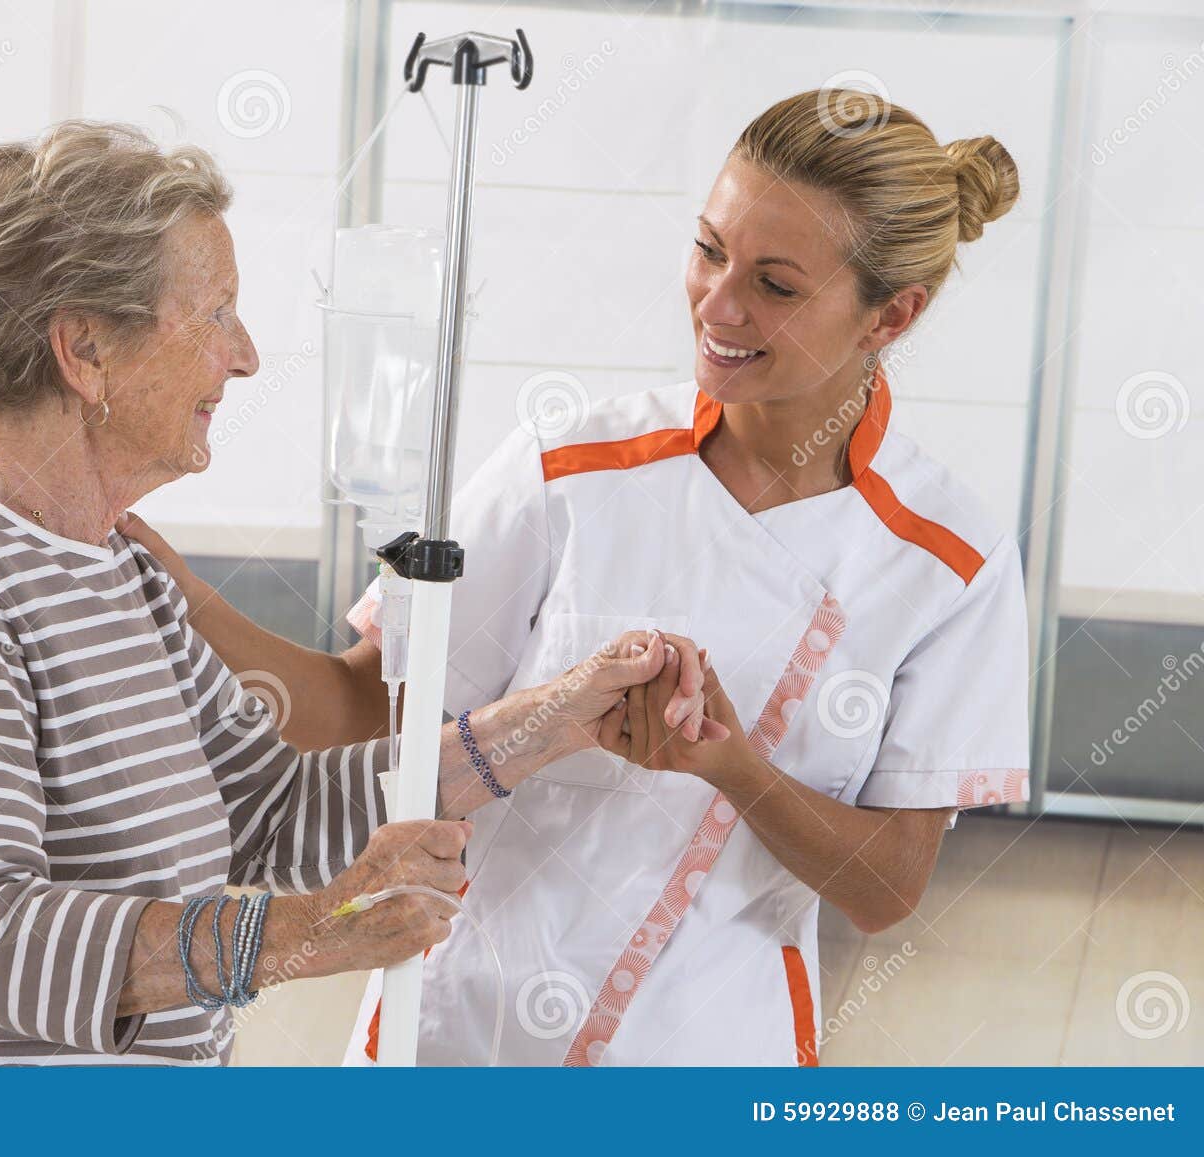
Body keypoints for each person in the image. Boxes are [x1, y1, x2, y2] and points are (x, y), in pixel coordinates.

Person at [124, 90, 1032, 1066]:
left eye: (774, 284)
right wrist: (167, 580)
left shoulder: (947, 559)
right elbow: (358, 706)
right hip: (460, 1033)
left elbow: (883, 888)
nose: (717, 304)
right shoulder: (571, 466)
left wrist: (729, 766)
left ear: (891, 313)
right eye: (707, 249)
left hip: (710, 1049)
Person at [0, 121, 689, 1066]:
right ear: (86, 349)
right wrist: (311, 933)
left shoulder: (116, 566)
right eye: (216, 312)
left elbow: (271, 805)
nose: (247, 354)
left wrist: (555, 720)